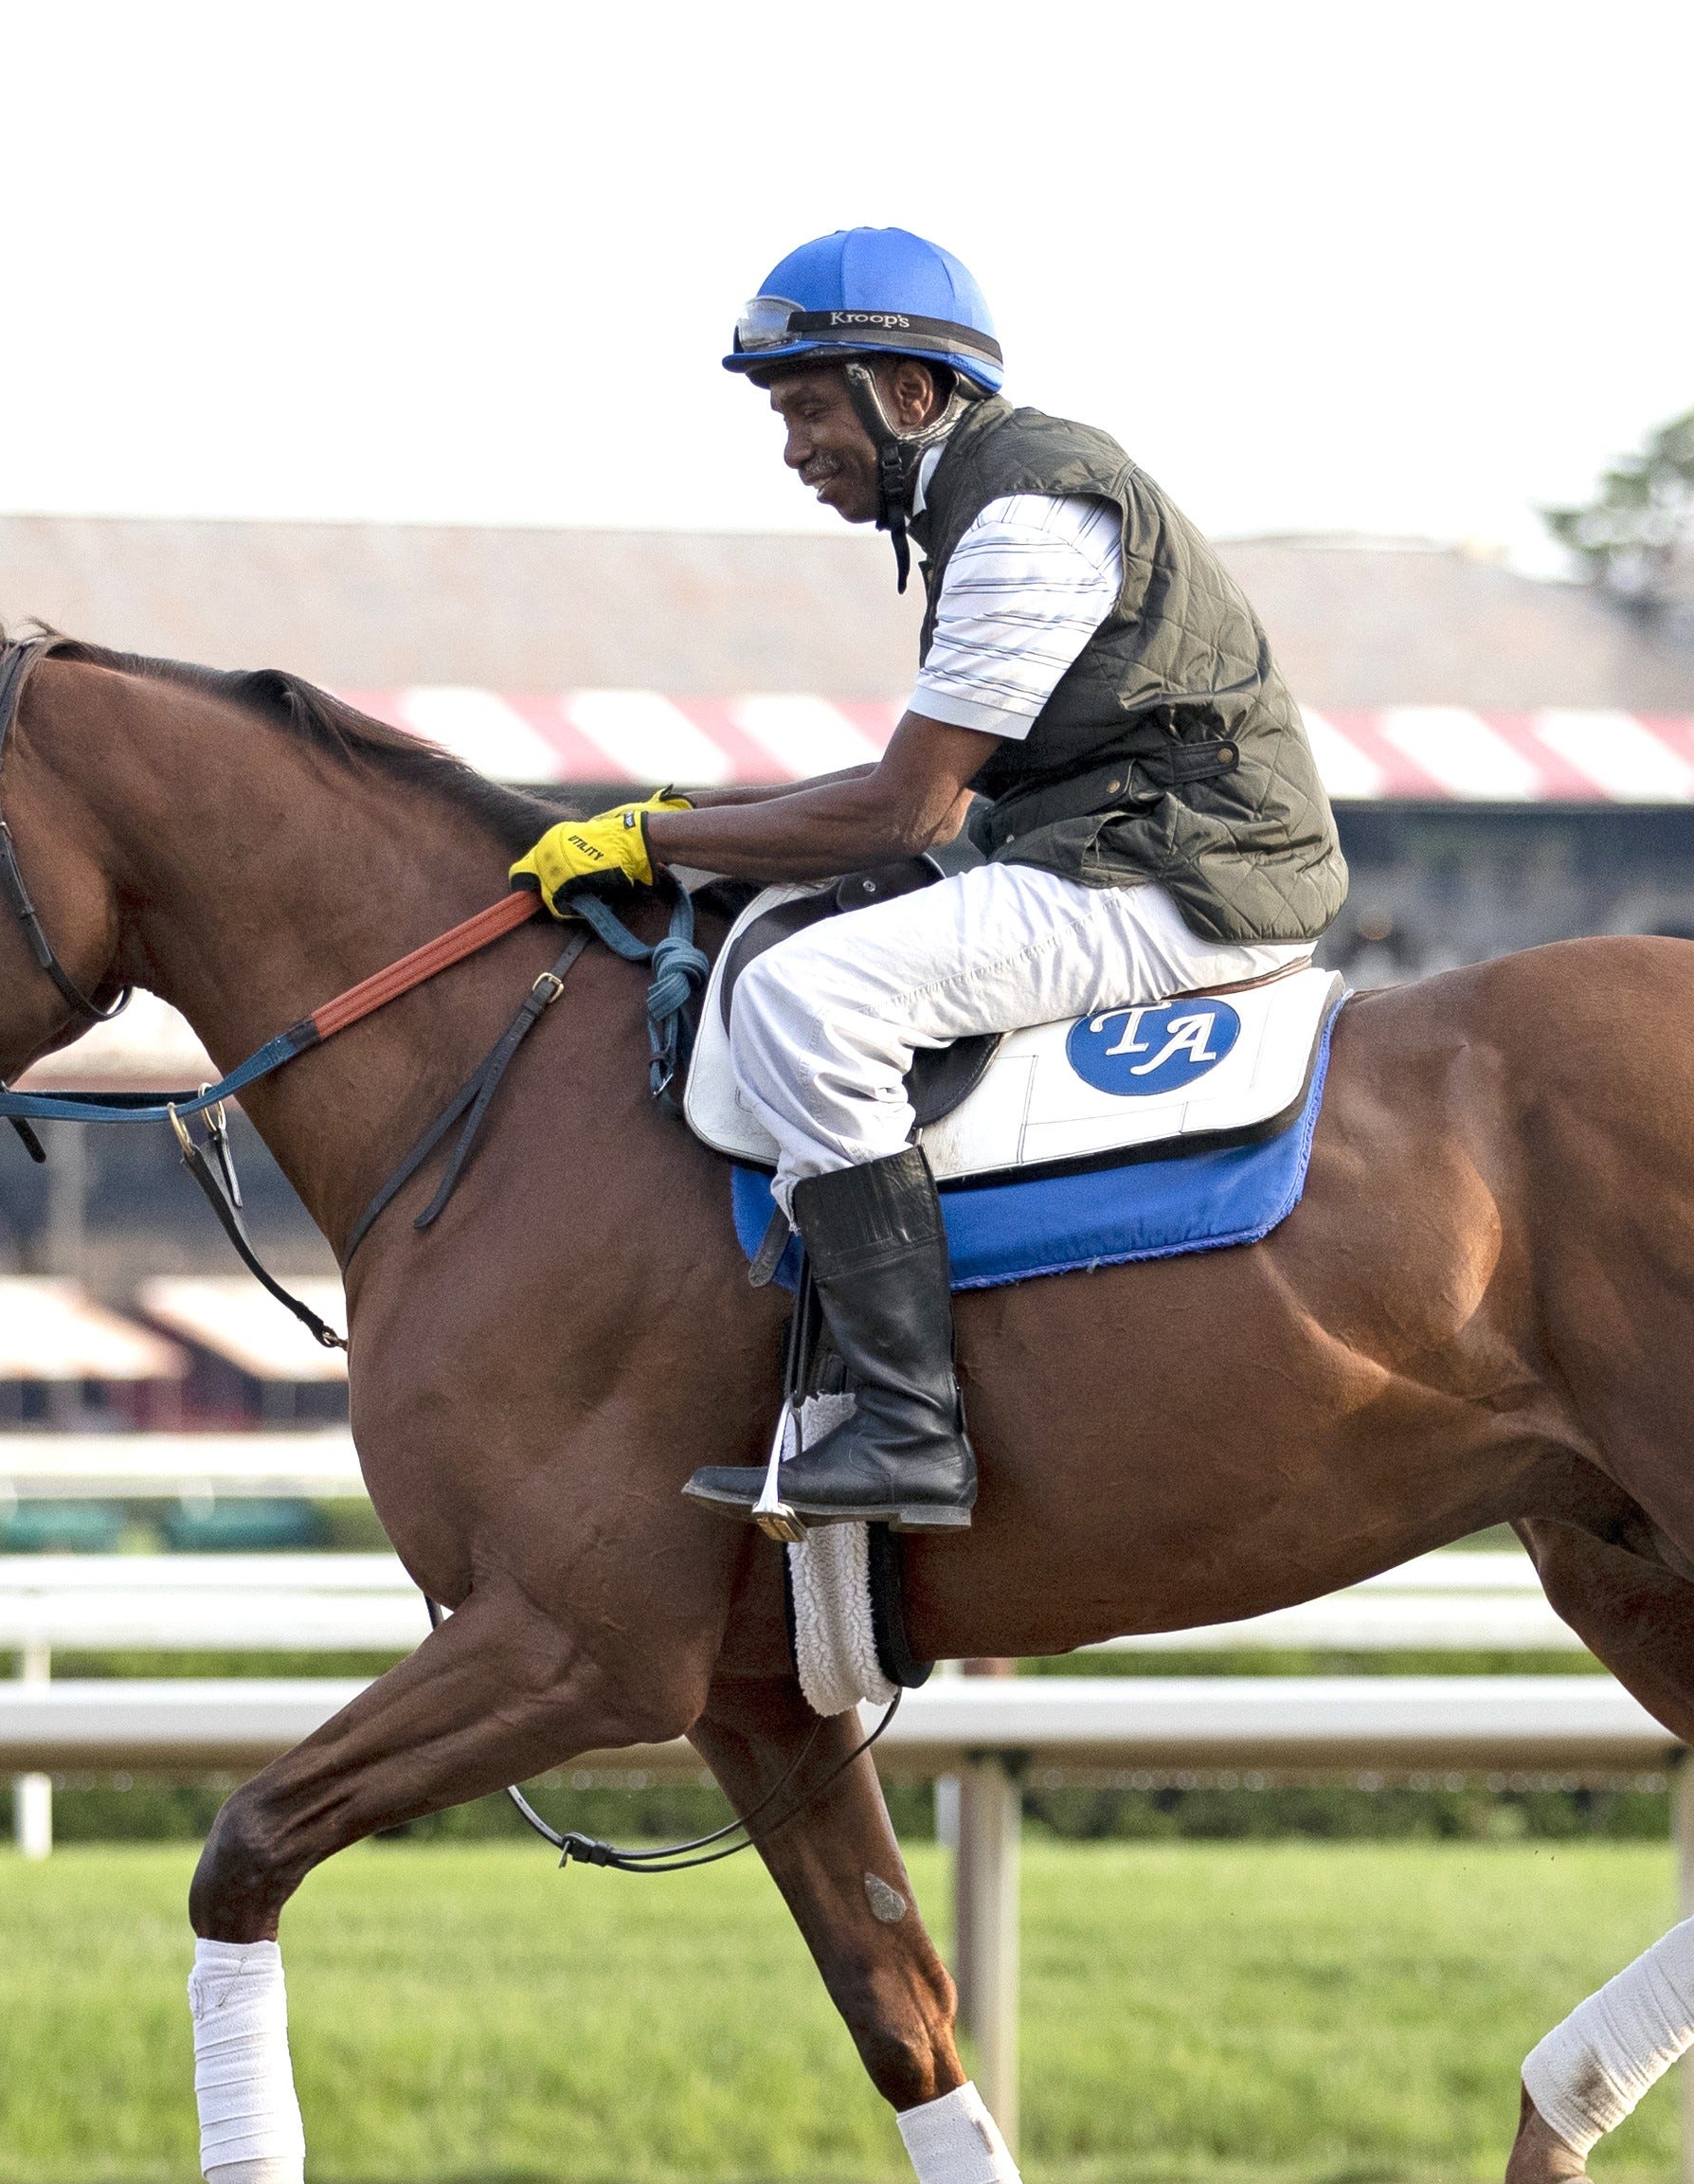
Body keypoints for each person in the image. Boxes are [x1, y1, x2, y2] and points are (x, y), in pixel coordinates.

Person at [505, 226, 1347, 1533]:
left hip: (1178, 872)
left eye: (804, 407)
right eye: (779, 415)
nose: (790, 448)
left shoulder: (1027, 513)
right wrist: (692, 824)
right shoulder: (983, 498)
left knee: (804, 996)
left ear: (907, 393)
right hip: (1113, 844)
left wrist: (656, 839)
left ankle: (906, 1427)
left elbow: (907, 806)